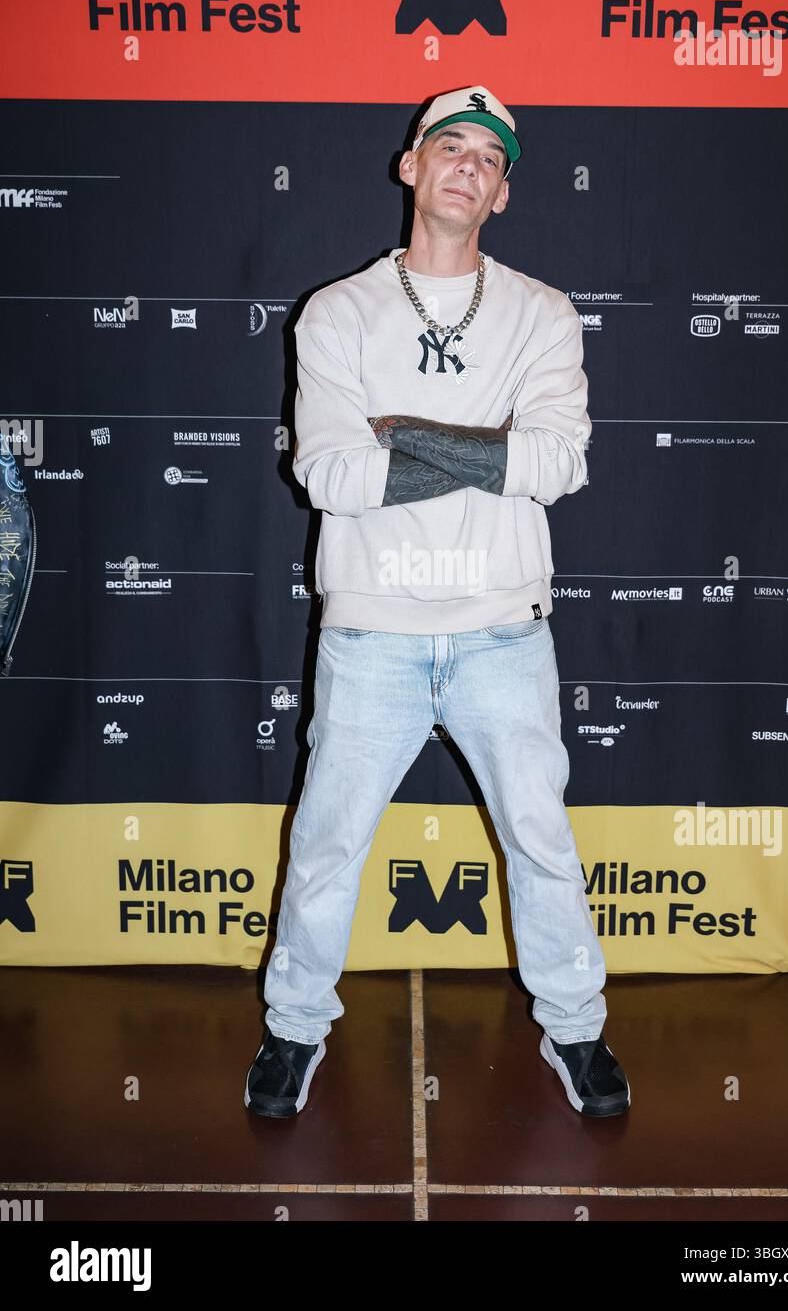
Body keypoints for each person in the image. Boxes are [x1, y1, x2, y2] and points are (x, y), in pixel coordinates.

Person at [244, 85, 630, 1120]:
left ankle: (575, 1026)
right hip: (370, 631)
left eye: (488, 158)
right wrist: (486, 453)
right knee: (325, 841)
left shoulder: (541, 313)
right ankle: (292, 1026)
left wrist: (400, 430)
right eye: (446, 145)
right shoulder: (337, 313)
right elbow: (329, 477)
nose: (466, 162)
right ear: (408, 167)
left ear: (501, 194)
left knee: (541, 842)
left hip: (504, 629)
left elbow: (553, 466)